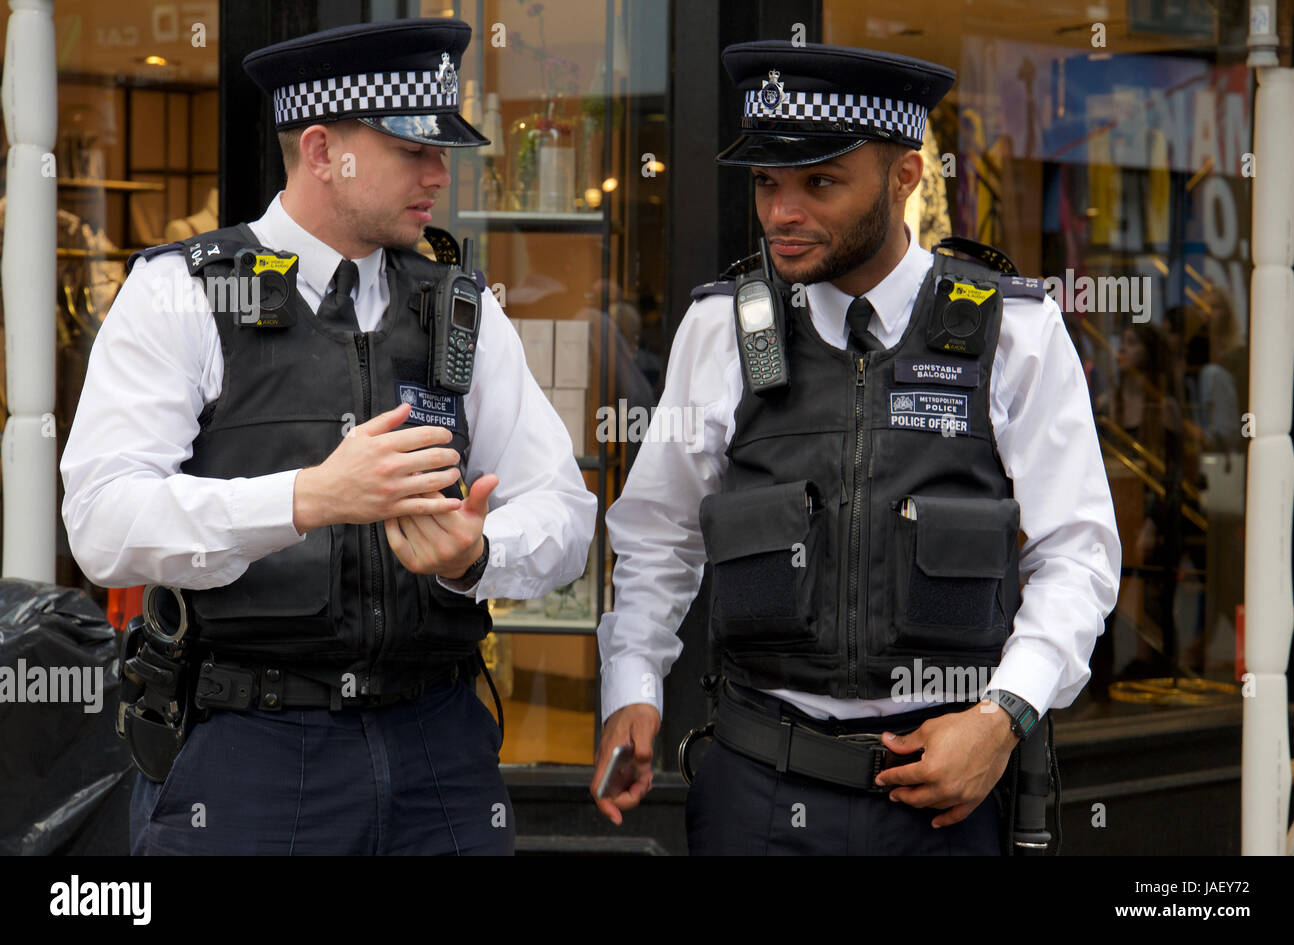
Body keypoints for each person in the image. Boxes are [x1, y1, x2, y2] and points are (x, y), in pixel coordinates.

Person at [60, 19, 596, 855]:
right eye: (411, 149)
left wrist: (475, 555)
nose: (438, 173)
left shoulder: (459, 307)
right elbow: (101, 523)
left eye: (443, 149)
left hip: (437, 744)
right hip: (251, 749)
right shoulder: (184, 294)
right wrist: (308, 498)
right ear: (320, 149)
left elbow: (565, 513)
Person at [590, 41, 1120, 855]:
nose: (781, 213)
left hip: (943, 791)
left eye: (820, 183)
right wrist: (632, 685)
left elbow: (1077, 552)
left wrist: (1004, 715)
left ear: (904, 177)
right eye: (767, 184)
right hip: (757, 787)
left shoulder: (1014, 331)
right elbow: (660, 531)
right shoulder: (724, 327)